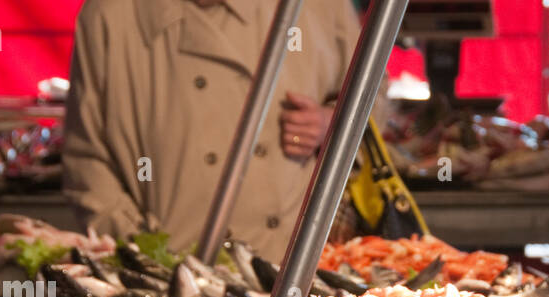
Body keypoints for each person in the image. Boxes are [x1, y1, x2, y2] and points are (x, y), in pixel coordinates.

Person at [63, 0, 359, 260]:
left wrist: (331, 123)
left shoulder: (320, 6)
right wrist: (143, 250)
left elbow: (371, 89)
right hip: (177, 279)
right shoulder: (108, 16)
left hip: (296, 269)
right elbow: (87, 162)